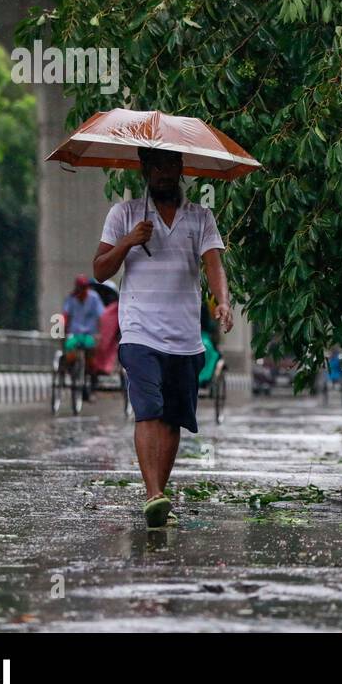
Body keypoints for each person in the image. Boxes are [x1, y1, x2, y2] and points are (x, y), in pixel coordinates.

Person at [92, 147, 232, 528]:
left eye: (172, 166)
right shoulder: (124, 214)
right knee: (148, 408)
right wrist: (128, 241)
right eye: (158, 167)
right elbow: (101, 270)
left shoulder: (201, 216)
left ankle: (160, 497)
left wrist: (222, 303)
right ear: (146, 171)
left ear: (181, 170)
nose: (166, 174)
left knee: (172, 418)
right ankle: (152, 493)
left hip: (185, 336)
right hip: (139, 332)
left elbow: (214, 264)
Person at [61, 275, 105, 369]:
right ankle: (71, 368)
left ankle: (91, 371)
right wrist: (63, 330)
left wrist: (100, 332)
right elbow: (66, 315)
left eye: (85, 288)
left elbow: (101, 316)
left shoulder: (94, 298)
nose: (83, 291)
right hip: (74, 333)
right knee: (69, 350)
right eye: (81, 288)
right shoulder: (71, 298)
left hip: (89, 334)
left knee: (91, 351)